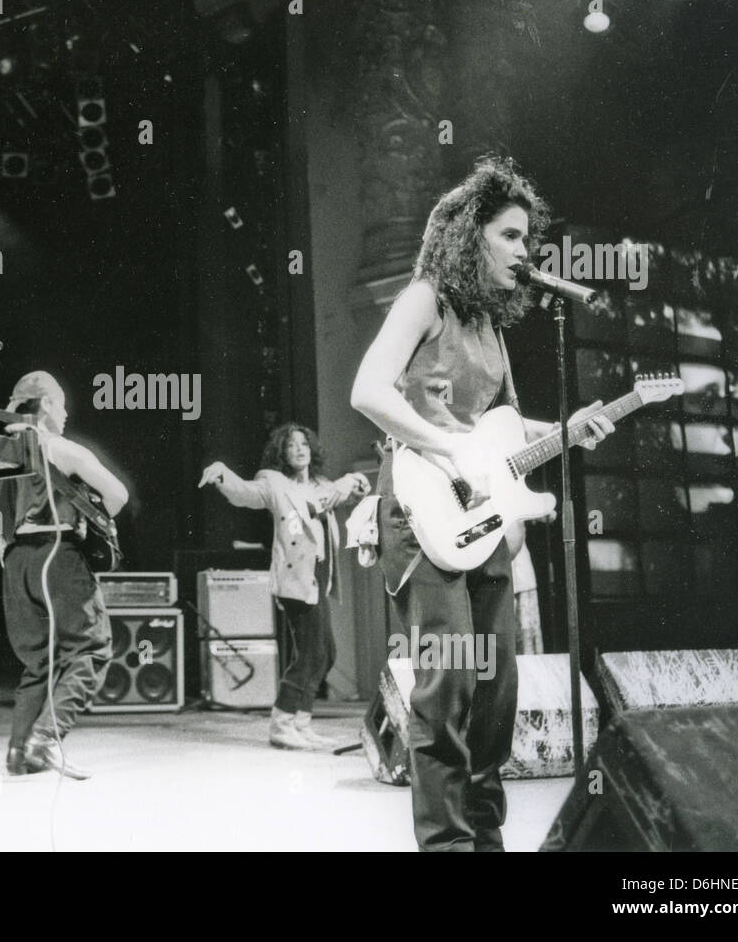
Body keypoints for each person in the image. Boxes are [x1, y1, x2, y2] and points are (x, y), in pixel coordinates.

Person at [350, 157, 614, 851]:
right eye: (513, 236)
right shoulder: (425, 299)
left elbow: (503, 431)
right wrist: (446, 446)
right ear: (471, 235)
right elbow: (368, 393)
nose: (527, 253)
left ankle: (487, 841)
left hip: (485, 515)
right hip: (422, 505)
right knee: (450, 685)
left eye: (528, 240)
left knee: (496, 693)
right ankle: (448, 845)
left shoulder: (490, 327)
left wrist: (571, 426)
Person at [0, 371, 127, 780]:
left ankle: (18, 753)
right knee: (90, 649)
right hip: (58, 555)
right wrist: (86, 513)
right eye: (60, 404)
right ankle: (47, 739)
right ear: (45, 405)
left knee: (38, 663)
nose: (64, 413)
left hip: (17, 564)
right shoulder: (63, 449)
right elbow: (117, 495)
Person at [199, 425, 369, 749]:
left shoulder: (321, 485)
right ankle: (282, 722)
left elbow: (338, 493)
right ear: (282, 453)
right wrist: (223, 475)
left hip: (319, 574)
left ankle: (300, 722)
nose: (300, 450)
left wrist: (356, 483)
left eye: (304, 444)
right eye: (292, 446)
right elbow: (245, 493)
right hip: (295, 578)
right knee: (310, 653)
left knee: (326, 653)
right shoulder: (274, 483)